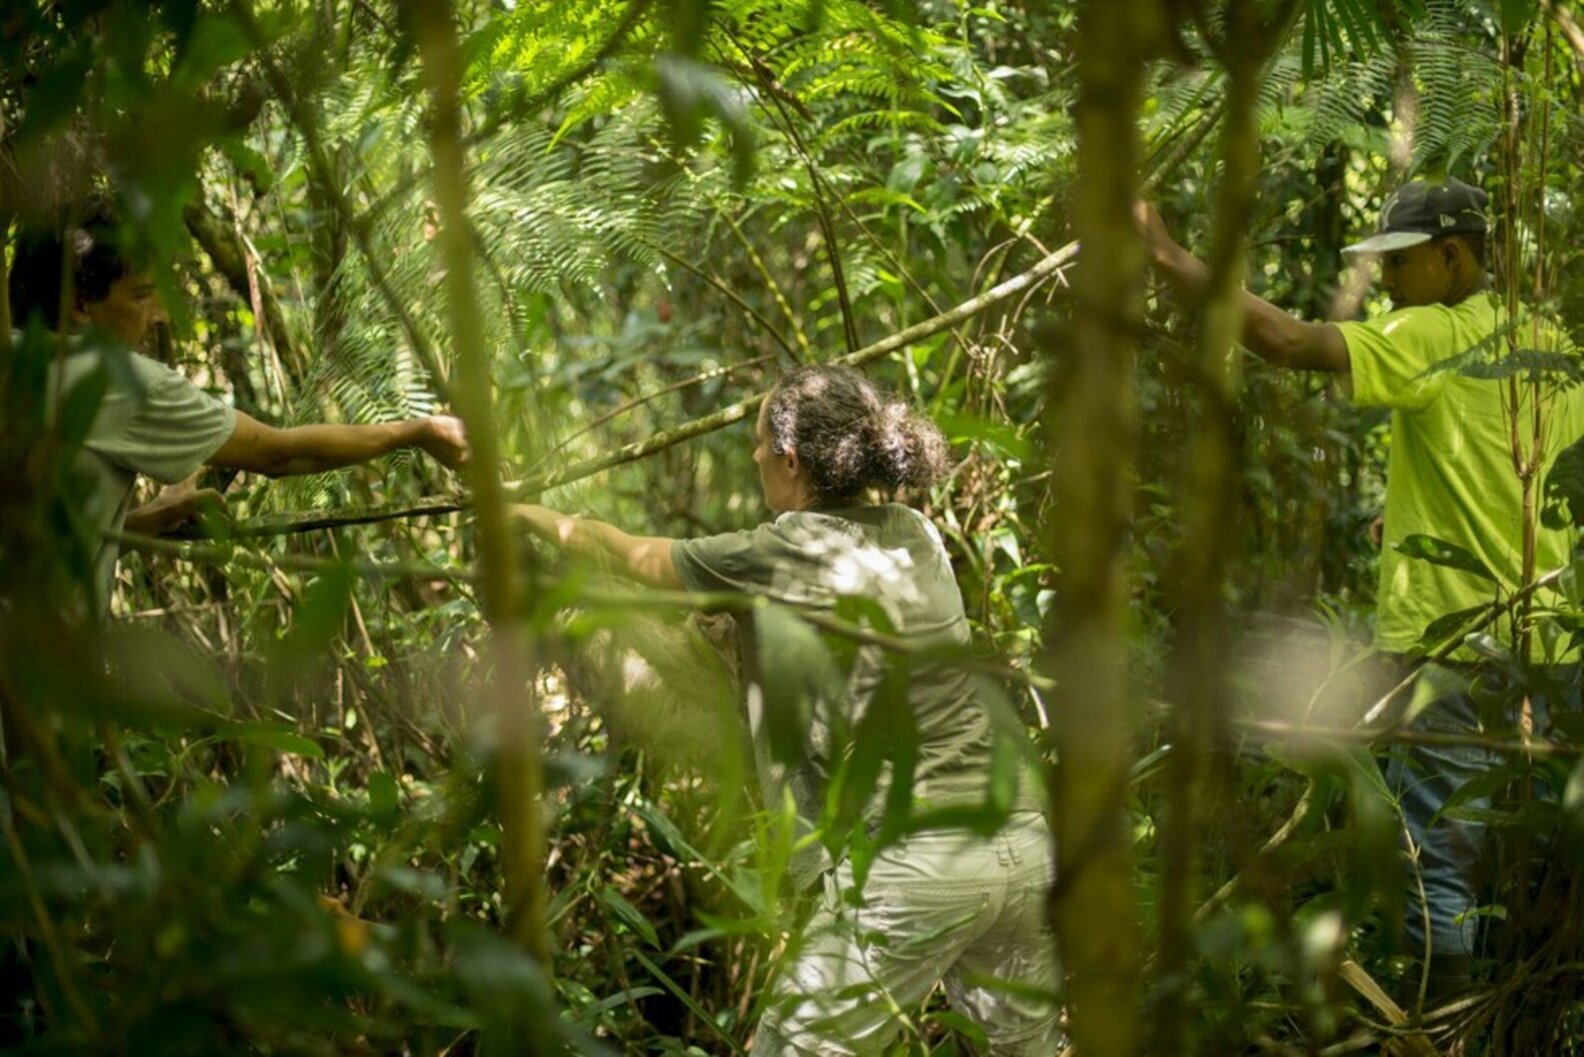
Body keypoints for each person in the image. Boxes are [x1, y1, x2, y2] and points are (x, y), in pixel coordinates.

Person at [515, 364, 1061, 1055]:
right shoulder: (917, 534)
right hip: (1023, 839)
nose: (751, 458)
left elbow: (622, 552)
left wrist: (515, 508)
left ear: (791, 458)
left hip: (920, 858)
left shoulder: (786, 548)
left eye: (756, 444)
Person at [1136, 178, 1584, 998]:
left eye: (1401, 263)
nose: (1388, 281)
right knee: (1529, 861)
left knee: (1435, 860)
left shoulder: (1432, 332)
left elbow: (1289, 343)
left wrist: (1166, 256)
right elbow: (1529, 476)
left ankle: (1434, 1029)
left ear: (1453, 257)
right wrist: (1415, 513)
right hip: (1550, 651)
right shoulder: (1546, 342)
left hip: (1450, 652)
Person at [8, 203, 470, 615]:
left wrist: (157, 517)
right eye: (141, 295)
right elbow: (280, 454)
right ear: (79, 306)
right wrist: (420, 431)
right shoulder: (111, 379)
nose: (161, 315)